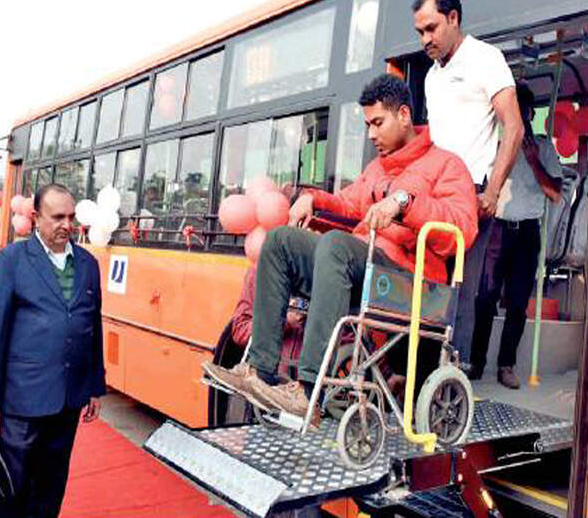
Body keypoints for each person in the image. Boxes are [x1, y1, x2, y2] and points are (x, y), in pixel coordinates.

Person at [203, 74, 477, 423]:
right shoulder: (377, 168)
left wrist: (405, 203)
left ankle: (307, 390)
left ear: (404, 115)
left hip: (410, 280)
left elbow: (462, 229)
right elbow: (347, 205)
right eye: (367, 125)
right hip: (362, 264)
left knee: (335, 245)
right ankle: (259, 371)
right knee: (279, 241)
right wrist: (311, 199)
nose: (371, 135)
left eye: (378, 123)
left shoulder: (447, 165)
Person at [412, 0, 526, 377]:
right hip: (433, 196)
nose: (425, 39)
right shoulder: (430, 77)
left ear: (453, 18)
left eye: (431, 29)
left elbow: (514, 128)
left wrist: (493, 190)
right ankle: (420, 373)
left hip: (472, 196)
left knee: (461, 292)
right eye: (420, 32)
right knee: (425, 286)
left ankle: (449, 381)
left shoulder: (485, 59)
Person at [0, 183, 106, 518]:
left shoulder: (87, 264)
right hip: (23, 398)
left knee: (52, 485)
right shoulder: (11, 260)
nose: (66, 225)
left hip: (68, 398)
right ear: (37, 217)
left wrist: (95, 385)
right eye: (57, 217)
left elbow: (91, 325)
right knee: (14, 485)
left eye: (71, 217)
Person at [470, 82, 564, 388]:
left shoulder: (545, 147)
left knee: (518, 302)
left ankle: (506, 365)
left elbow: (554, 194)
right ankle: (476, 361)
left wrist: (534, 158)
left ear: (531, 115)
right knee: (484, 298)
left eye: (523, 113)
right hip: (496, 229)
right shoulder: (494, 147)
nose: (518, 119)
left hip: (527, 232)